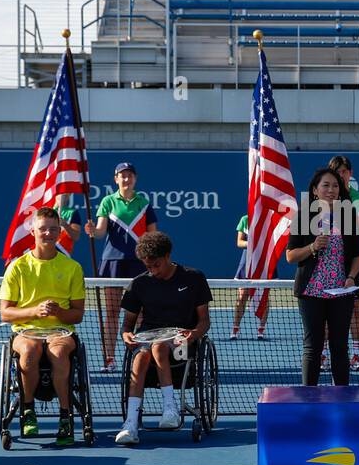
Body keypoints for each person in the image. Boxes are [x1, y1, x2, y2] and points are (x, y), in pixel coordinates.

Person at [0, 207, 86, 445]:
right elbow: (6, 313)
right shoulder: (17, 267)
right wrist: (34, 311)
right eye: (43, 229)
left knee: (58, 352)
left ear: (60, 232)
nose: (48, 233)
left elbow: (77, 315)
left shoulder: (73, 268)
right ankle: (28, 411)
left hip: (61, 332)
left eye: (53, 229)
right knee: (29, 352)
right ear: (33, 230)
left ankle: (65, 416)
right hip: (24, 331)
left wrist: (59, 312)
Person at [117, 231, 212, 446]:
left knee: (159, 348)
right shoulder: (139, 284)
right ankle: (130, 424)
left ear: (168, 255)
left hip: (183, 346)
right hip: (148, 341)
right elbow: (127, 325)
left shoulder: (194, 278)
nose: (152, 271)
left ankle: (171, 410)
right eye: (148, 267)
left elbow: (204, 321)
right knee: (140, 358)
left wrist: (193, 335)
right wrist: (126, 335)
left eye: (156, 265)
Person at [287, 166, 359, 387]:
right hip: (311, 292)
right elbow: (291, 256)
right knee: (313, 347)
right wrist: (312, 247)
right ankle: (308, 398)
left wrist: (351, 277)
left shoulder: (347, 215)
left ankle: (341, 399)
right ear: (315, 190)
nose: (331, 190)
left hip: (342, 292)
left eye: (335, 186)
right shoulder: (304, 215)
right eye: (326, 185)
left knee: (339, 346)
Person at [85, 161, 159, 372]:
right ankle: (109, 359)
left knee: (142, 312)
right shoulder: (108, 202)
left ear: (135, 179)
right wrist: (92, 230)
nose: (126, 179)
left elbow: (153, 235)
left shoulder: (144, 203)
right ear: (116, 179)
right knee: (112, 312)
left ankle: (141, 355)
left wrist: (152, 259)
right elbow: (100, 232)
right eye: (122, 175)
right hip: (112, 263)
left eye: (130, 175)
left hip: (139, 263)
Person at [328, 155, 359, 370]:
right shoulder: (320, 200)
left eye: (344, 171)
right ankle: (324, 355)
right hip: (325, 266)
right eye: (337, 171)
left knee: (354, 308)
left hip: (351, 264)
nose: (341, 175)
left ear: (350, 174)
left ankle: (356, 354)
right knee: (324, 310)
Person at [230, 213, 269, 340]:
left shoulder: (269, 218)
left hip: (263, 262)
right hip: (246, 263)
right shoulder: (245, 219)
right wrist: (253, 243)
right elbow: (239, 242)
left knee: (263, 297)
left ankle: (261, 330)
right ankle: (235, 329)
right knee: (242, 296)